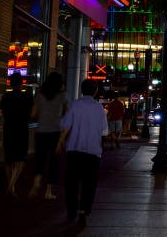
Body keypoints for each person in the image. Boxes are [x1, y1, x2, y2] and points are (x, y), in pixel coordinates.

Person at [57, 78, 108, 227]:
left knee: (72, 183)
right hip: (93, 152)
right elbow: (104, 131)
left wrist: (60, 142)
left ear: (81, 90)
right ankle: (84, 211)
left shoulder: (75, 105)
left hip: (74, 150)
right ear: (95, 91)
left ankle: (71, 211)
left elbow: (65, 125)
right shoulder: (100, 109)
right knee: (89, 184)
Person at [29, 71, 68, 200]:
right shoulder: (62, 97)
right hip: (55, 133)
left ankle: (37, 181)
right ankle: (48, 191)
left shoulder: (40, 94)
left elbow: (33, 114)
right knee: (54, 163)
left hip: (41, 132)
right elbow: (66, 115)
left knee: (40, 159)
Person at [0, 71, 34, 198]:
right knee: (20, 160)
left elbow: (3, 113)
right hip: (21, 129)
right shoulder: (27, 97)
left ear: (10, 82)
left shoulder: (5, 97)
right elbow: (31, 114)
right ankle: (11, 186)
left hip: (8, 129)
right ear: (22, 83)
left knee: (8, 159)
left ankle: (12, 187)